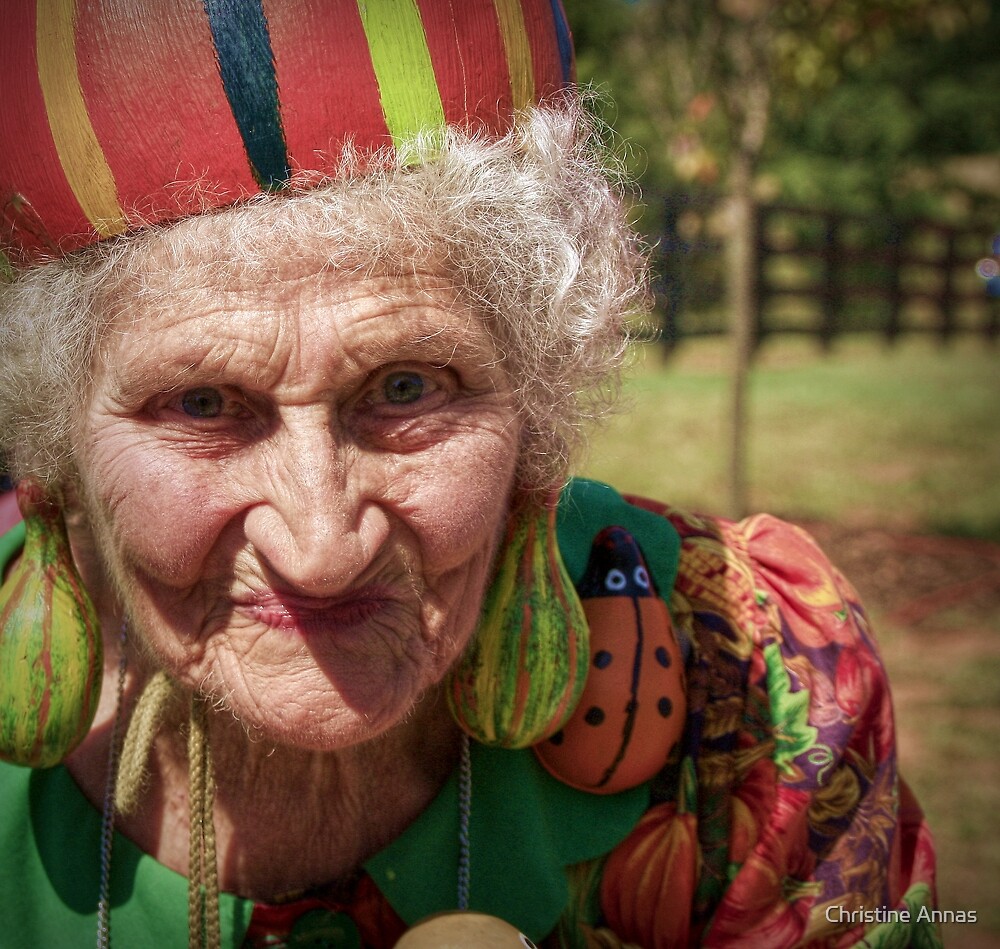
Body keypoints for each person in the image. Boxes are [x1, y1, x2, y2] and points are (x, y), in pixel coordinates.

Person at [0, 2, 939, 947]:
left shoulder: (752, 692)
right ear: (57, 444)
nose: (322, 548)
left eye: (407, 387)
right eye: (202, 403)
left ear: (536, 413)